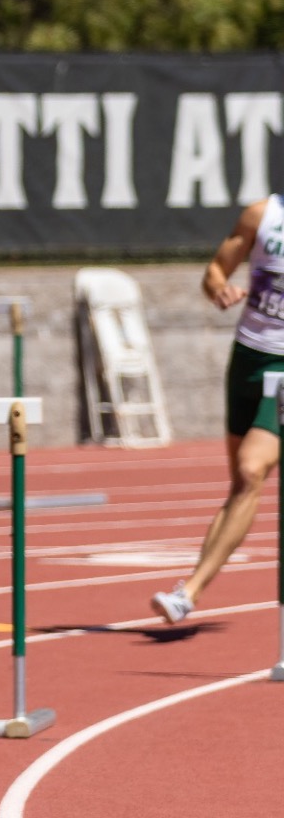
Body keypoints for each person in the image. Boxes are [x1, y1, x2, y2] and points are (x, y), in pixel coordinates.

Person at [153, 198, 284, 624]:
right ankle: (188, 591)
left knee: (251, 469)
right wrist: (220, 290)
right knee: (241, 486)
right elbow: (214, 272)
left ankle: (189, 592)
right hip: (248, 358)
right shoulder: (262, 215)